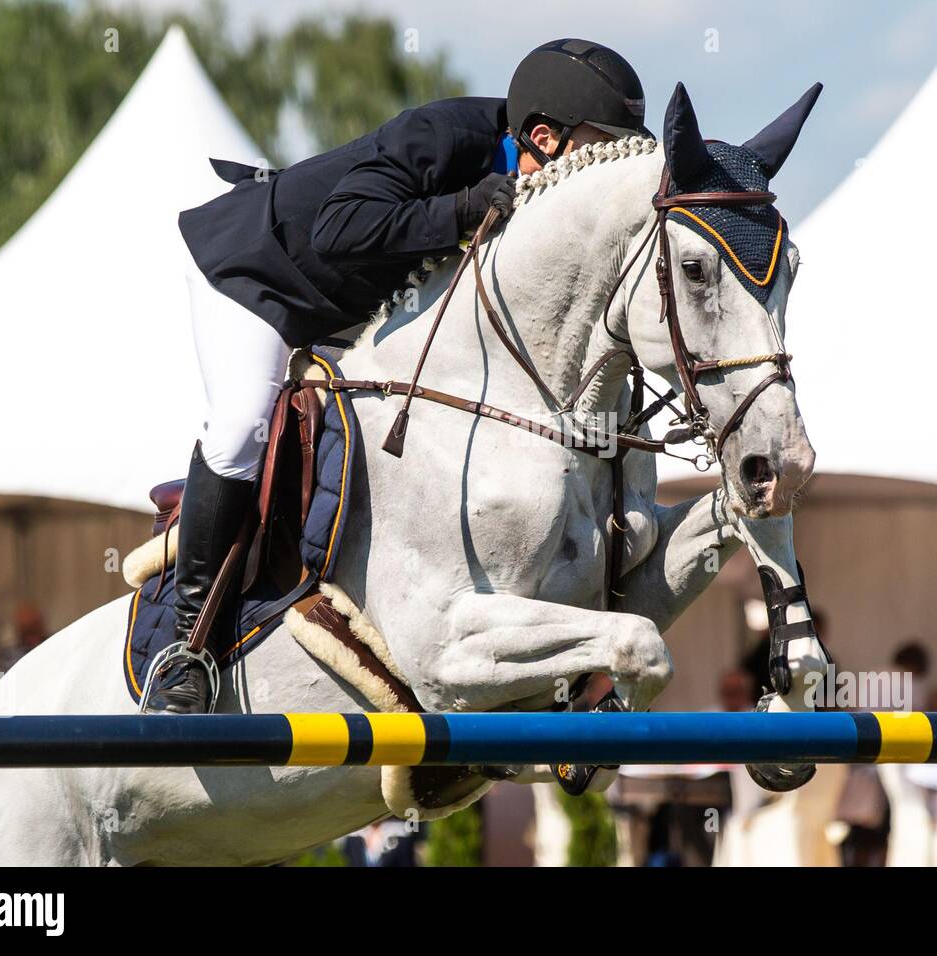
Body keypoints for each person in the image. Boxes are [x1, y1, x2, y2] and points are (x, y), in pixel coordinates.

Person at [142, 40, 651, 714]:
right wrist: (463, 210)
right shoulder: (442, 135)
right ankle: (190, 646)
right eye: (600, 146)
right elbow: (339, 231)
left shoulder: (543, 194)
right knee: (242, 426)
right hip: (260, 279)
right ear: (543, 138)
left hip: (352, 305)